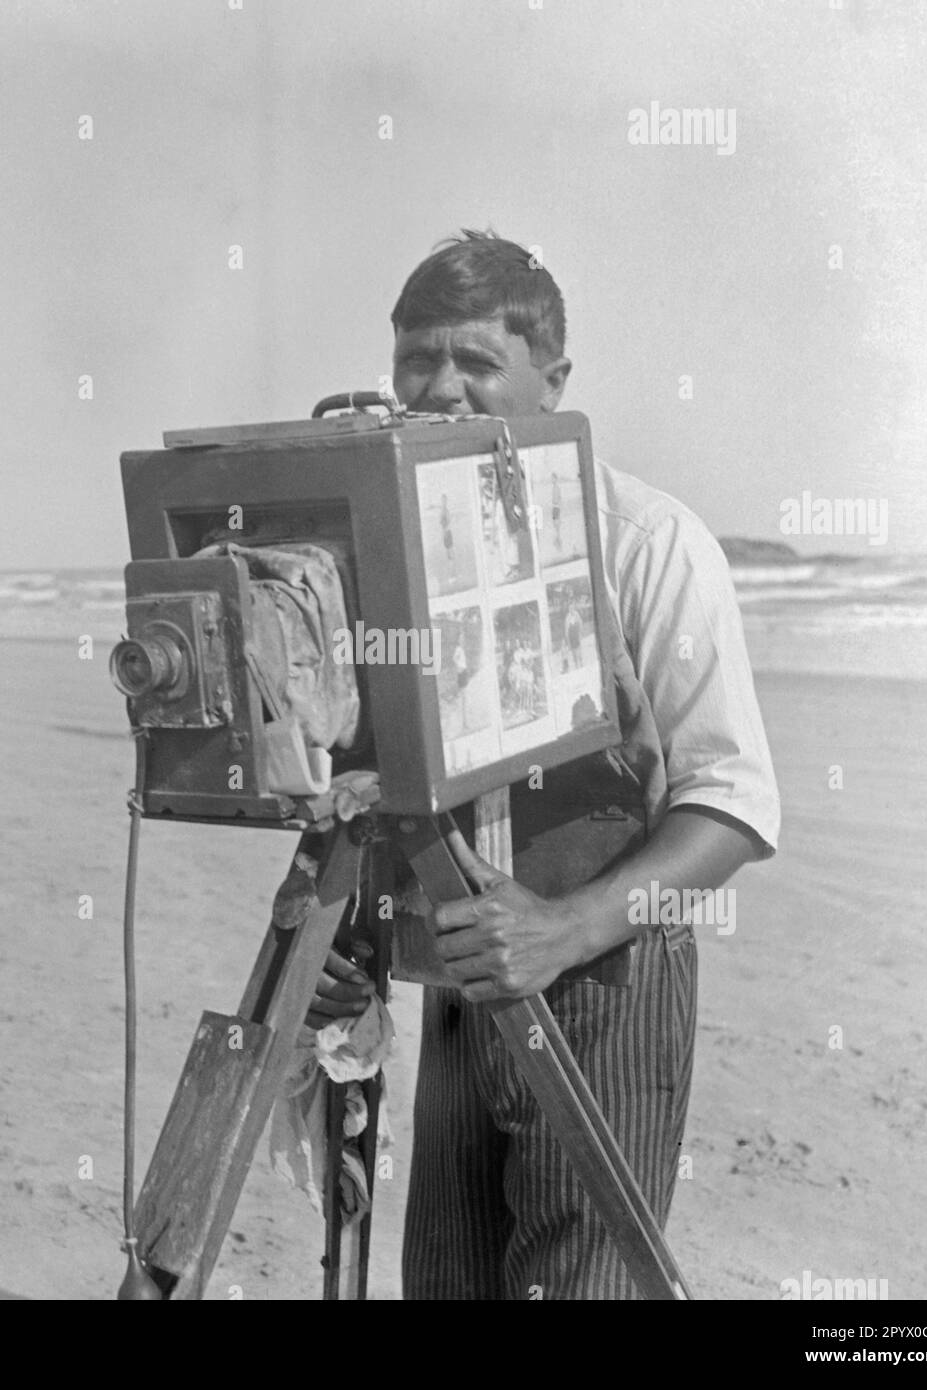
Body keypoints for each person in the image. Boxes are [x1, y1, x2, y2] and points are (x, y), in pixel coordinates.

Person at [307, 231, 780, 1299]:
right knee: (448, 1287)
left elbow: (735, 803)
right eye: (416, 360)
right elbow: (378, 779)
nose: (438, 387)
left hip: (607, 973)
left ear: (552, 379)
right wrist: (356, 940)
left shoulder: (648, 540)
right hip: (465, 982)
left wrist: (565, 927)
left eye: (474, 360)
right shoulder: (398, 553)